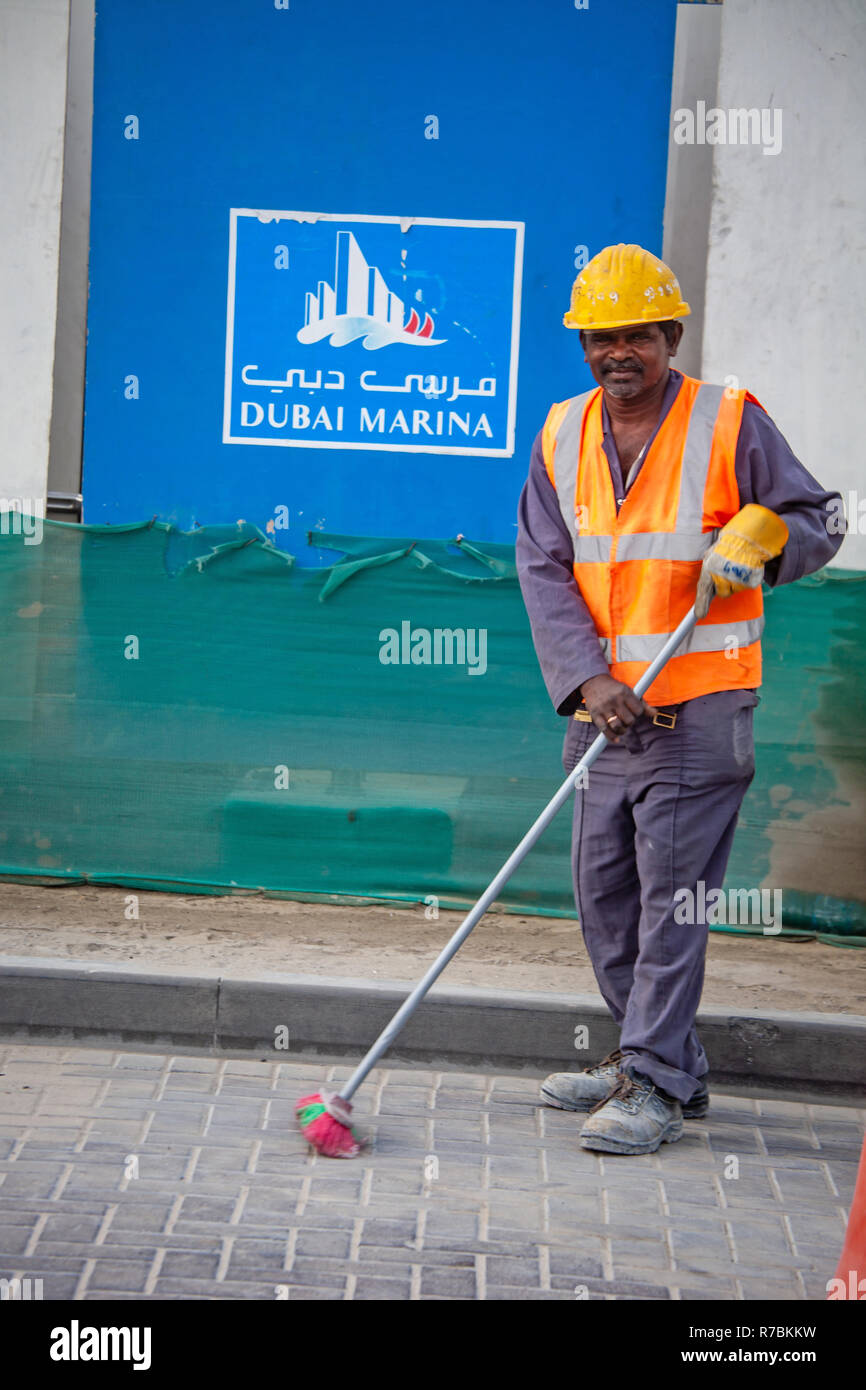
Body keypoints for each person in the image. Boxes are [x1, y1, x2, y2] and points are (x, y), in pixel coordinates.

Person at [516, 243, 845, 1155]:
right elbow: (544, 567)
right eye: (597, 337)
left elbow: (823, 517)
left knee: (672, 902)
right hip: (600, 716)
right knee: (603, 899)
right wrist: (589, 681)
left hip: (699, 712)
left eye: (634, 335)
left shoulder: (729, 421)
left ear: (670, 333)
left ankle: (653, 1080)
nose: (615, 353)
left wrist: (766, 538)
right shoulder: (561, 433)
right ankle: (659, 1062)